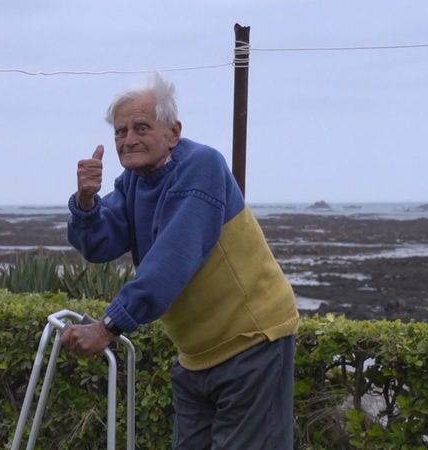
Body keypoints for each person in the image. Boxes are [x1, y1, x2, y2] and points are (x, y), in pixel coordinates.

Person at [60, 73, 300, 450]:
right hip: (196, 354)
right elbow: (99, 244)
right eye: (121, 132)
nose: (128, 139)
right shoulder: (134, 182)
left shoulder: (200, 168)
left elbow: (172, 260)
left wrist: (109, 326)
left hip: (252, 339)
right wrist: (86, 202)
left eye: (141, 127)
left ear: (173, 133)